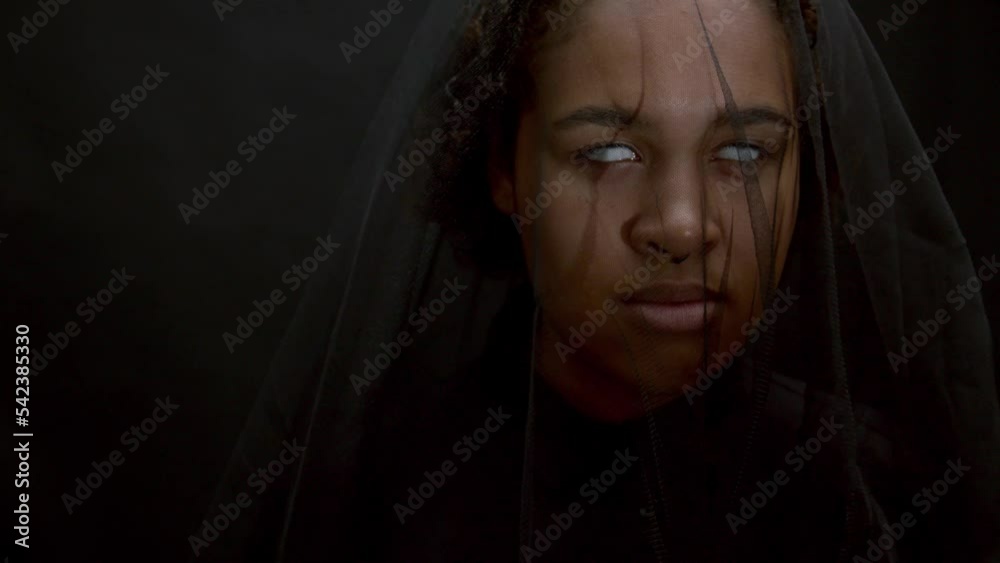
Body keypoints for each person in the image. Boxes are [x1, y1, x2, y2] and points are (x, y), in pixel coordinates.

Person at [200, 1, 1000, 561]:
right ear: (505, 170)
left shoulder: (882, 503)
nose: (683, 226)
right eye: (610, 153)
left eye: (747, 151)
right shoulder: (362, 497)